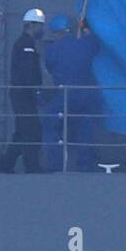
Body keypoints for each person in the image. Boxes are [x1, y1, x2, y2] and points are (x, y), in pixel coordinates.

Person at [44, 12, 100, 172]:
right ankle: (86, 167)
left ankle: (56, 165)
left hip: (66, 96)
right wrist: (85, 27)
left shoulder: (52, 49)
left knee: (50, 124)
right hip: (88, 96)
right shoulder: (85, 44)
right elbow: (95, 42)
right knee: (85, 131)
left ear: (56, 32)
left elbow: (50, 67)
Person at [0, 8, 46, 173]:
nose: (41, 29)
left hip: (21, 93)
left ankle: (5, 165)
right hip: (23, 94)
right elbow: (27, 70)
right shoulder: (25, 44)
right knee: (33, 130)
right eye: (39, 25)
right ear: (31, 25)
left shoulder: (25, 43)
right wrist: (35, 90)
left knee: (21, 131)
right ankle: (32, 166)